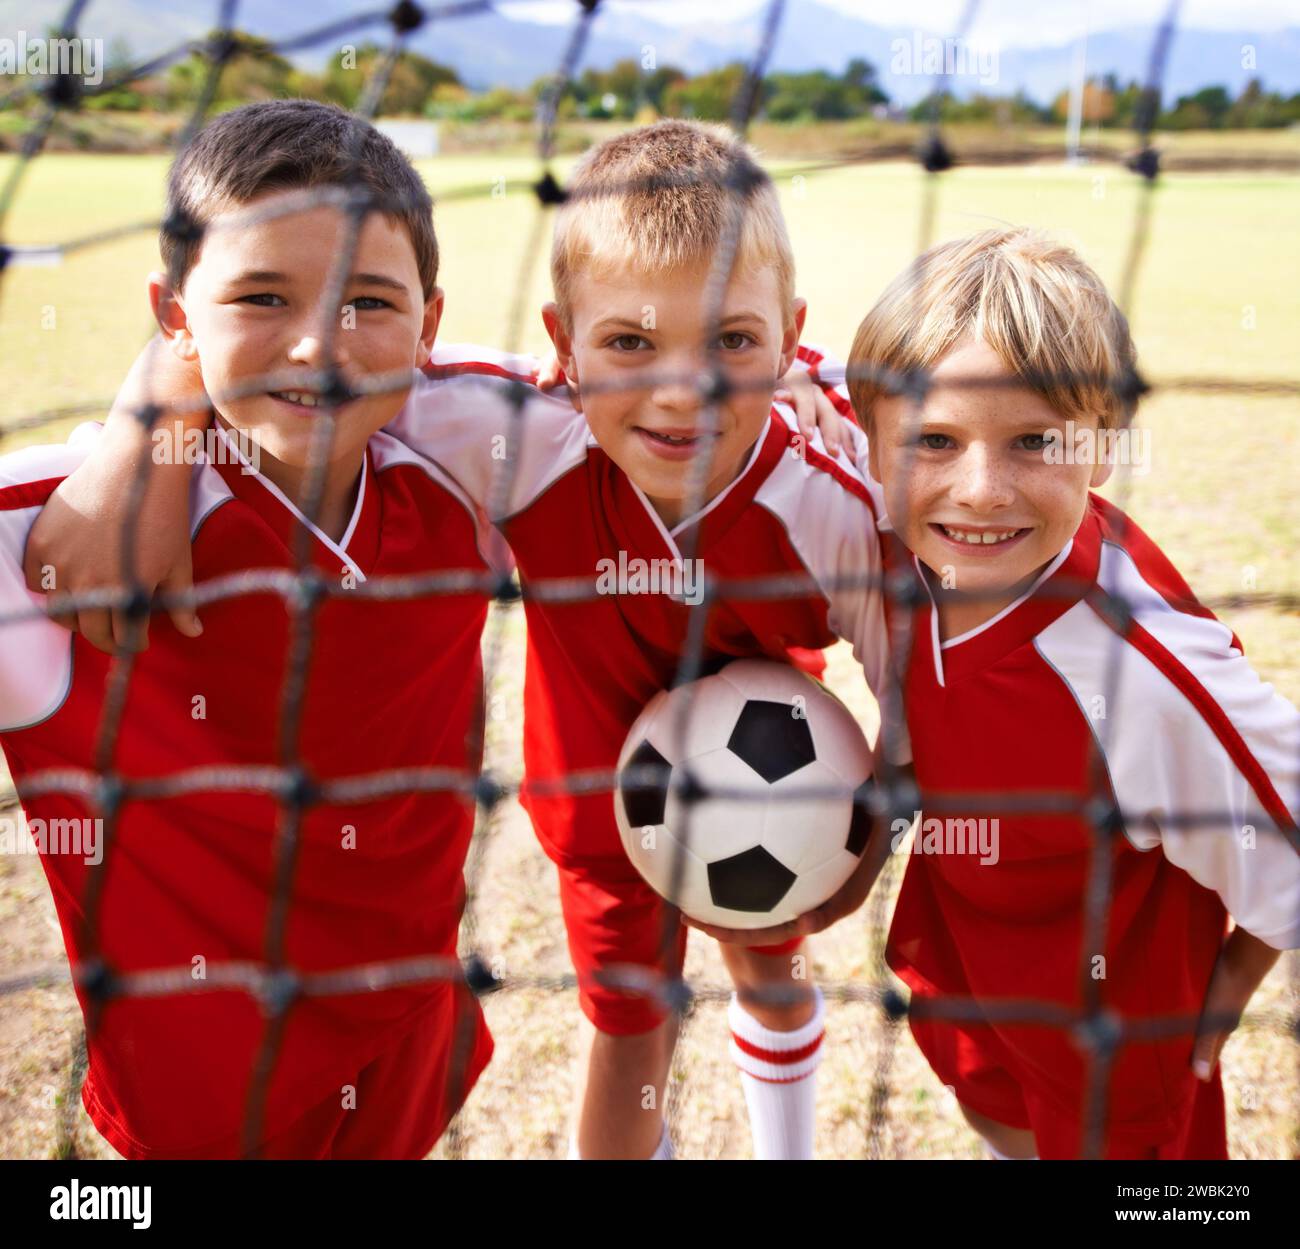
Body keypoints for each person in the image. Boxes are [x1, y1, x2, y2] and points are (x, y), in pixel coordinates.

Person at [1, 100, 496, 1158]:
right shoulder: (50, 534)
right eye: (261, 295)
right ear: (173, 313)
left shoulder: (472, 451)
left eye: (369, 301)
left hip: (411, 1027)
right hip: (202, 1095)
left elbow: (683, 376)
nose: (322, 345)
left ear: (430, 318)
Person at [845, 226, 1300, 1159]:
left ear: (1105, 447)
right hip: (976, 945)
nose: (980, 489)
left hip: (1113, 1034)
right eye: (934, 440)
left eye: (1034, 441)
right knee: (992, 1111)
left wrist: (1219, 1005)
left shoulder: (1141, 672)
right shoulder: (910, 543)